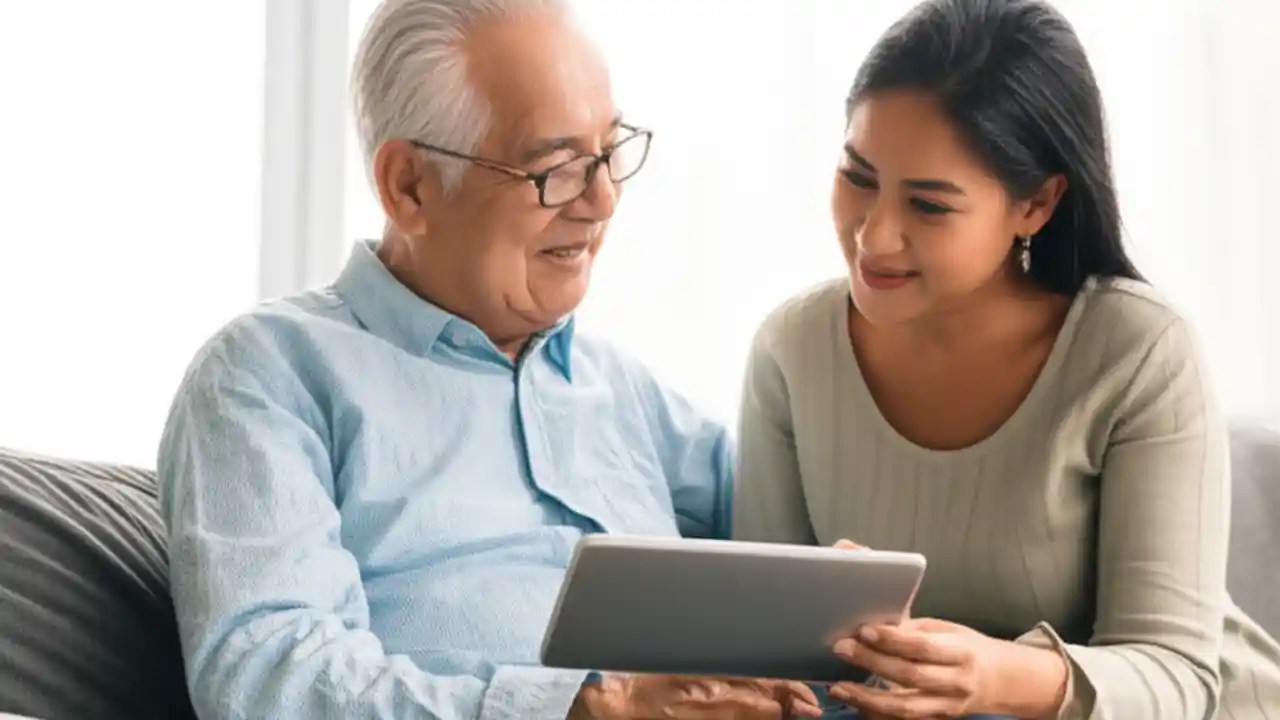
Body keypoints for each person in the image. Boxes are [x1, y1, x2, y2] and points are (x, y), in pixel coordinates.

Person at [157, 1, 820, 718]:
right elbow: (271, 679)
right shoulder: (267, 376)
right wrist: (592, 710)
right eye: (559, 169)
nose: (603, 201)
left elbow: (796, 542)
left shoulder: (623, 390)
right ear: (409, 185)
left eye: (609, 152)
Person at [733, 0, 1280, 718]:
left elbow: (1178, 675)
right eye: (858, 176)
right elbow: (764, 650)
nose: (875, 235)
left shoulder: (1139, 353)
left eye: (929, 206)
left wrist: (996, 675)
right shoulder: (791, 351)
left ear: (1037, 204)